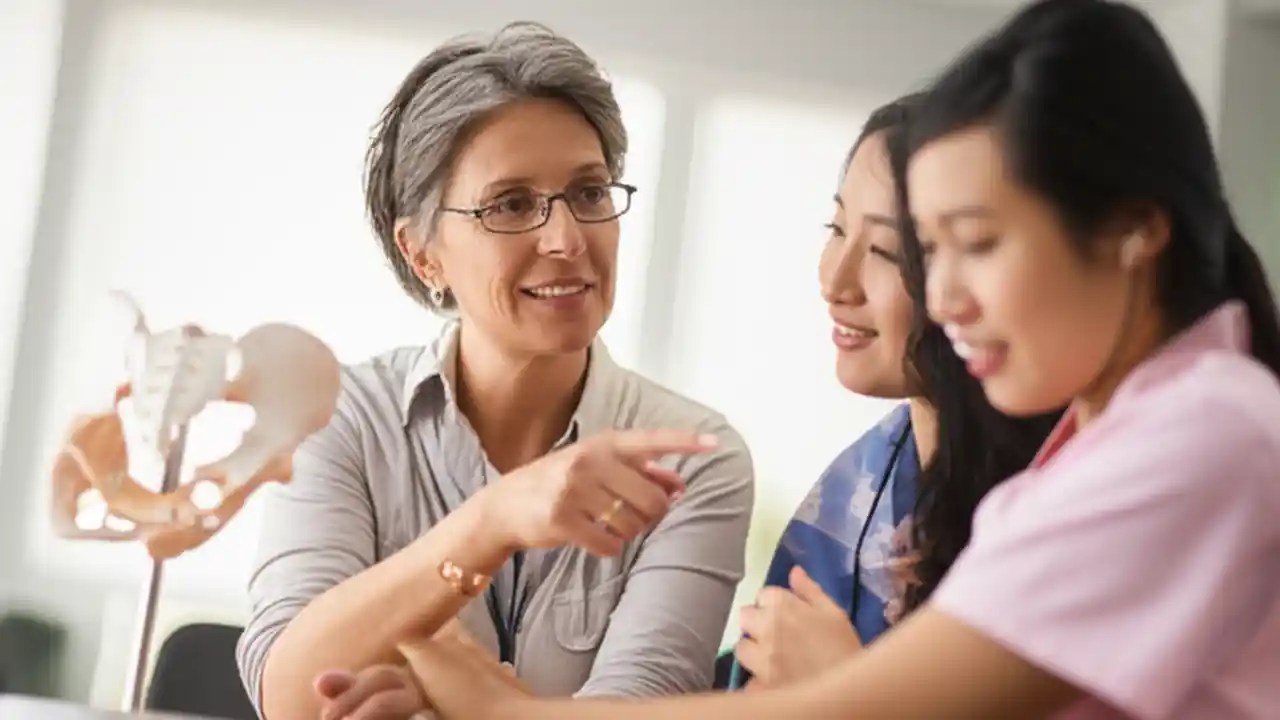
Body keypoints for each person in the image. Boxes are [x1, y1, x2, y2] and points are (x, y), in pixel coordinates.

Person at [386, 1, 1280, 717]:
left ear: (1133, 230)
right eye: (929, 251)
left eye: (973, 245)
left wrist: (498, 706)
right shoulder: (1099, 449)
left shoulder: (1201, 435)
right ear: (423, 254)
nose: (948, 297)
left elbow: (861, 706)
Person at [235, 21, 755, 720]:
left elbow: (638, 709)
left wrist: (453, 701)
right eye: (511, 204)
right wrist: (493, 521)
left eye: (590, 193)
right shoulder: (341, 416)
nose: (566, 238)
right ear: (424, 253)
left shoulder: (692, 457)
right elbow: (289, 698)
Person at [724, 96, 1058, 690]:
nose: (834, 281)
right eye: (836, 228)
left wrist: (845, 689)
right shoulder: (858, 485)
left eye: (886, 251)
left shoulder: (1063, 500)